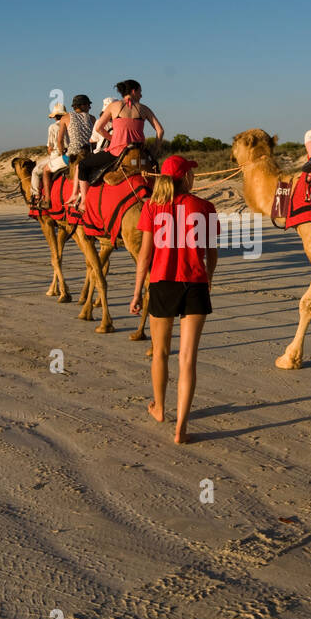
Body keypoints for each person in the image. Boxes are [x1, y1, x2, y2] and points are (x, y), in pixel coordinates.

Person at [130, 155, 217, 445]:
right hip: (194, 285)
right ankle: (181, 426)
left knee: (160, 353)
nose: (194, 176)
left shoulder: (152, 208)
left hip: (162, 283)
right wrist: (209, 278)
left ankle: (159, 408)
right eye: (191, 172)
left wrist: (136, 291)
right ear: (185, 178)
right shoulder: (205, 207)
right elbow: (211, 253)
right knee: (188, 358)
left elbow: (144, 256)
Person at [69, 80, 164, 209]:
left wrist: (113, 139)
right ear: (133, 91)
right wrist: (155, 150)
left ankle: (84, 201)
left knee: (83, 165)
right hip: (140, 154)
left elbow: (99, 128)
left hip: (117, 152)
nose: (141, 95)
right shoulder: (144, 109)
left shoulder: (113, 106)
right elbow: (160, 130)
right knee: (156, 171)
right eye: (140, 92)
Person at [30, 104, 70, 205]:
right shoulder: (70, 124)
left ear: (55, 116)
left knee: (35, 171)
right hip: (70, 153)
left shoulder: (53, 127)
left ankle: (36, 195)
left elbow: (50, 147)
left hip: (57, 155)